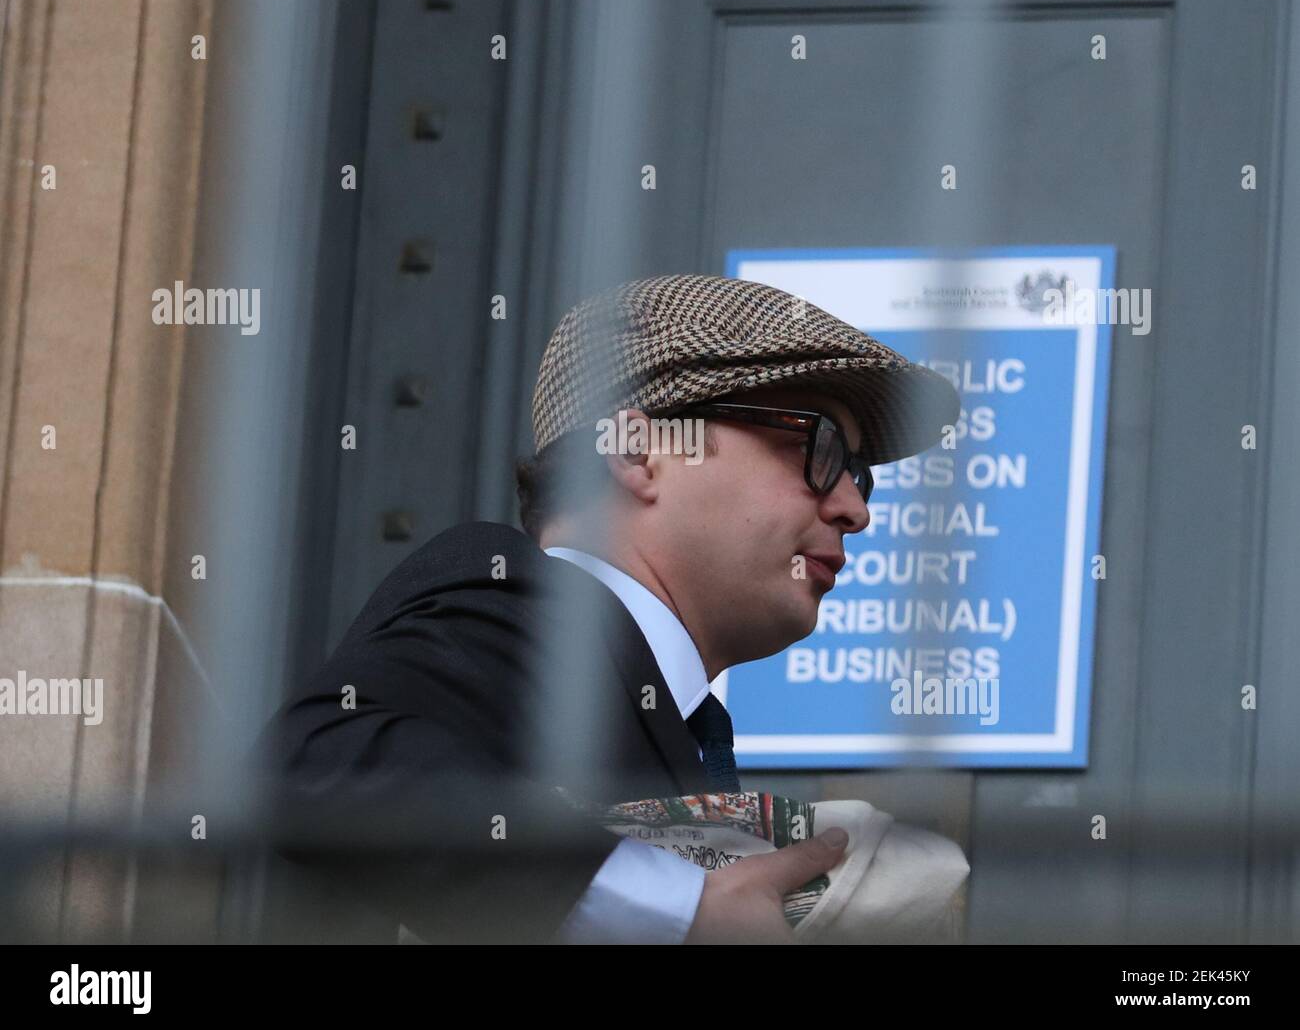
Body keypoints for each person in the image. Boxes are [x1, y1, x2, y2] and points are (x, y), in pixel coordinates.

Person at [258, 273, 959, 943]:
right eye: (819, 448)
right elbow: (314, 762)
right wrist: (678, 912)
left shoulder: (670, 717)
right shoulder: (525, 608)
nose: (855, 508)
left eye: (858, 473)